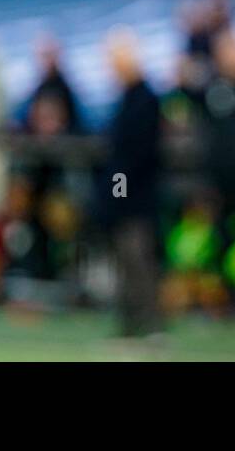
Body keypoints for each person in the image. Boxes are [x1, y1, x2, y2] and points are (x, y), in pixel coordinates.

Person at [102, 30, 164, 339]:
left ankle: (148, 326)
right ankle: (130, 326)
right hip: (125, 201)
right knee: (127, 265)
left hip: (137, 200)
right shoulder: (129, 98)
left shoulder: (144, 99)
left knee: (138, 263)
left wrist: (120, 193)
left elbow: (136, 155)